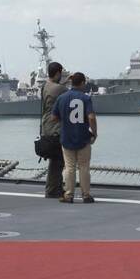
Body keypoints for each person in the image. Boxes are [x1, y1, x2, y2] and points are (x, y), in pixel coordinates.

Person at [53, 72, 97, 204]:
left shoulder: (61, 98)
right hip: (83, 137)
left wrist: (64, 119)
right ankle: (86, 195)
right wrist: (94, 133)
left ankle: (69, 194)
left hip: (66, 137)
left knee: (69, 167)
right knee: (84, 167)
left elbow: (54, 117)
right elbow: (91, 117)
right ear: (82, 83)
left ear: (72, 82)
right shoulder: (85, 98)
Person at [39, 61, 67, 198]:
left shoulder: (45, 85)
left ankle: (53, 187)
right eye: (61, 73)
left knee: (54, 159)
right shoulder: (60, 89)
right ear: (57, 73)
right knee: (58, 160)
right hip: (55, 127)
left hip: (46, 126)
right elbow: (69, 93)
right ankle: (53, 189)